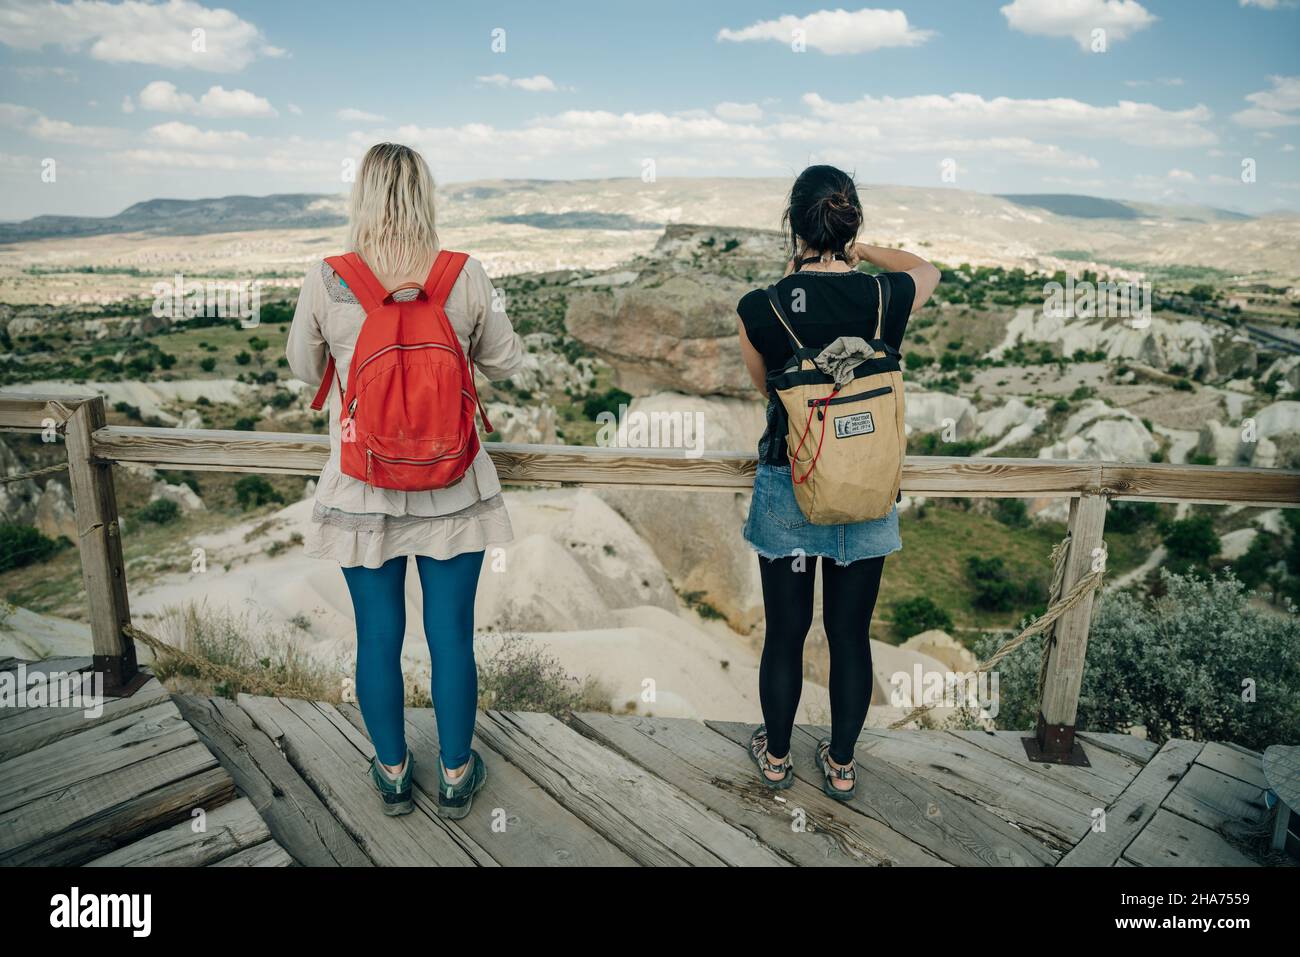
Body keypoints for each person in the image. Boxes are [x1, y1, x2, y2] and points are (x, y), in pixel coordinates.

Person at [286, 143, 523, 819]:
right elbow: (506, 358)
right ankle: (455, 772)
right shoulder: (463, 273)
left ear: (360, 195)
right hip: (454, 489)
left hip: (362, 489)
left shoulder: (328, 277)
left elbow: (306, 370)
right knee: (452, 637)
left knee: (377, 637)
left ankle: (392, 771)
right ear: (426, 195)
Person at [734, 164, 940, 800]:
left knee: (787, 634)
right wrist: (863, 251)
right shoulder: (883, 297)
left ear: (794, 225)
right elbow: (927, 270)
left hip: (793, 483)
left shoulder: (760, 307)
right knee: (851, 634)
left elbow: (766, 390)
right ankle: (843, 762)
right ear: (851, 222)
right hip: (868, 488)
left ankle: (775, 758)